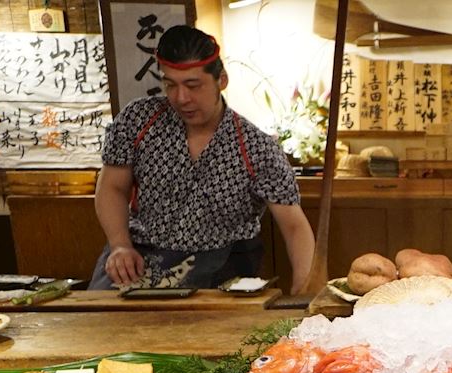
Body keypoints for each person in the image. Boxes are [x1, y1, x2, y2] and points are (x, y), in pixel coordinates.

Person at [91, 25, 315, 291]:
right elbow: (112, 187)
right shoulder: (137, 121)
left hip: (221, 263)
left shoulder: (256, 147)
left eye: (193, 85)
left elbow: (294, 228)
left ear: (221, 80)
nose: (181, 98)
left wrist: (305, 296)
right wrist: (119, 245)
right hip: (139, 254)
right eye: (170, 85)